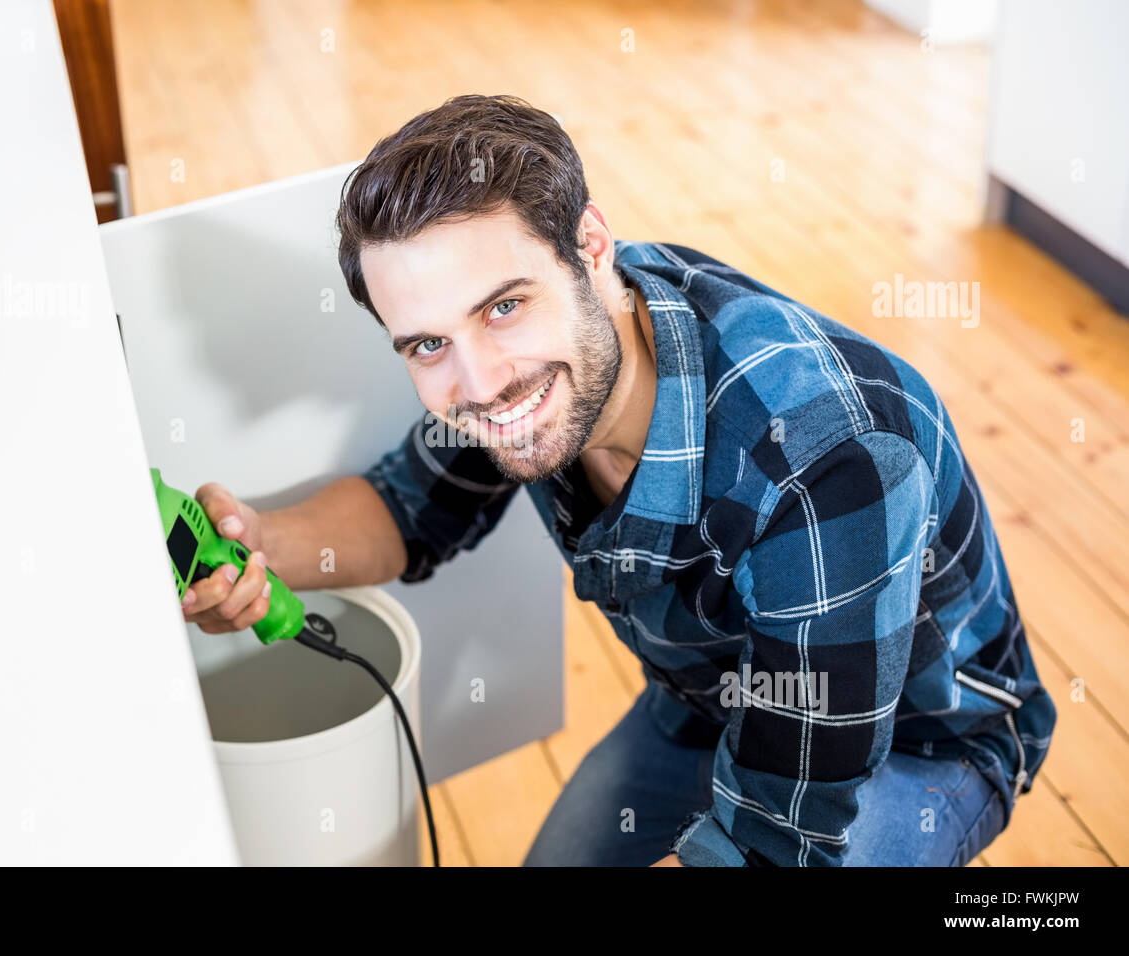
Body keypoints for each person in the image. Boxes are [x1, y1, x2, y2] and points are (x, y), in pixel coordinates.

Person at [179, 94, 1056, 867]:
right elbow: (410, 508)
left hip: (916, 741)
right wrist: (260, 546)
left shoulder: (823, 462)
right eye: (428, 344)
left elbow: (770, 840)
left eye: (503, 306)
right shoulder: (541, 365)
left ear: (591, 247)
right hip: (710, 702)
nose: (479, 384)